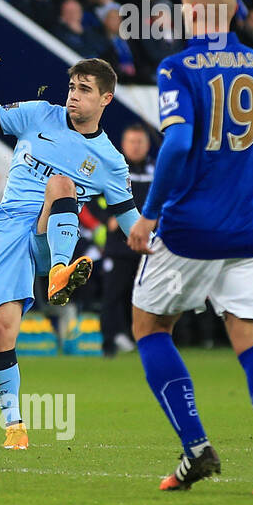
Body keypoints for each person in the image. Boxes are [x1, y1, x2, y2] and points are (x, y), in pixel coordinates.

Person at [127, 0, 253, 495]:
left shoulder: (176, 67)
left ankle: (196, 447)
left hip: (190, 230)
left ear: (196, 12)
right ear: (236, 11)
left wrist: (150, 212)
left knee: (150, 328)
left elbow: (176, 146)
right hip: (248, 228)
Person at [0, 54, 140, 450]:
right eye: (73, 87)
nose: (74, 97)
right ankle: (15, 427)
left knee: (61, 185)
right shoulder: (39, 114)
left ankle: (59, 272)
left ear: (105, 100)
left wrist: (169, 247)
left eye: (85, 90)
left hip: (50, 236)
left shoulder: (111, 162)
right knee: (0, 329)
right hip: (9, 226)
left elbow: (132, 226)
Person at [99, 123, 153, 356]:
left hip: (148, 246)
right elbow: (92, 197)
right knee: (113, 295)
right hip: (119, 245)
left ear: (147, 144)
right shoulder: (113, 167)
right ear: (123, 144)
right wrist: (107, 218)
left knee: (146, 296)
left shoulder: (157, 170)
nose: (136, 146)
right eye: (132, 141)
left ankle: (144, 340)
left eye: (140, 141)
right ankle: (109, 342)